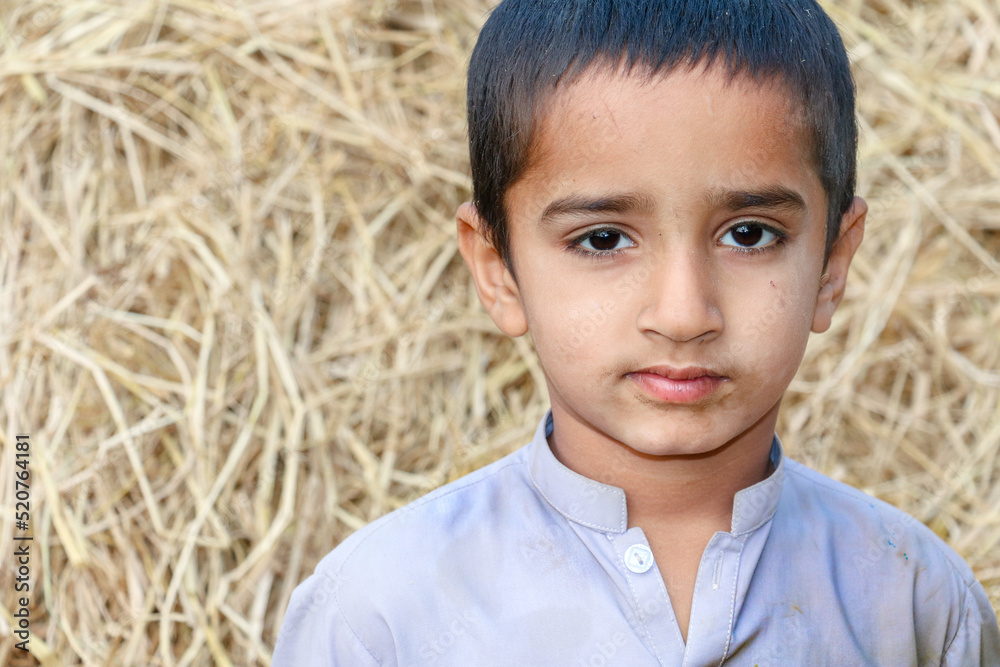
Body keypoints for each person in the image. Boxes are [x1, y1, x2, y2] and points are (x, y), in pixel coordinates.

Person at [273, 0, 1000, 663]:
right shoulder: (382, 613)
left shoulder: (914, 603)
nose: (683, 313)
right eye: (602, 240)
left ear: (833, 265)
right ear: (497, 268)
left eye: (748, 234)